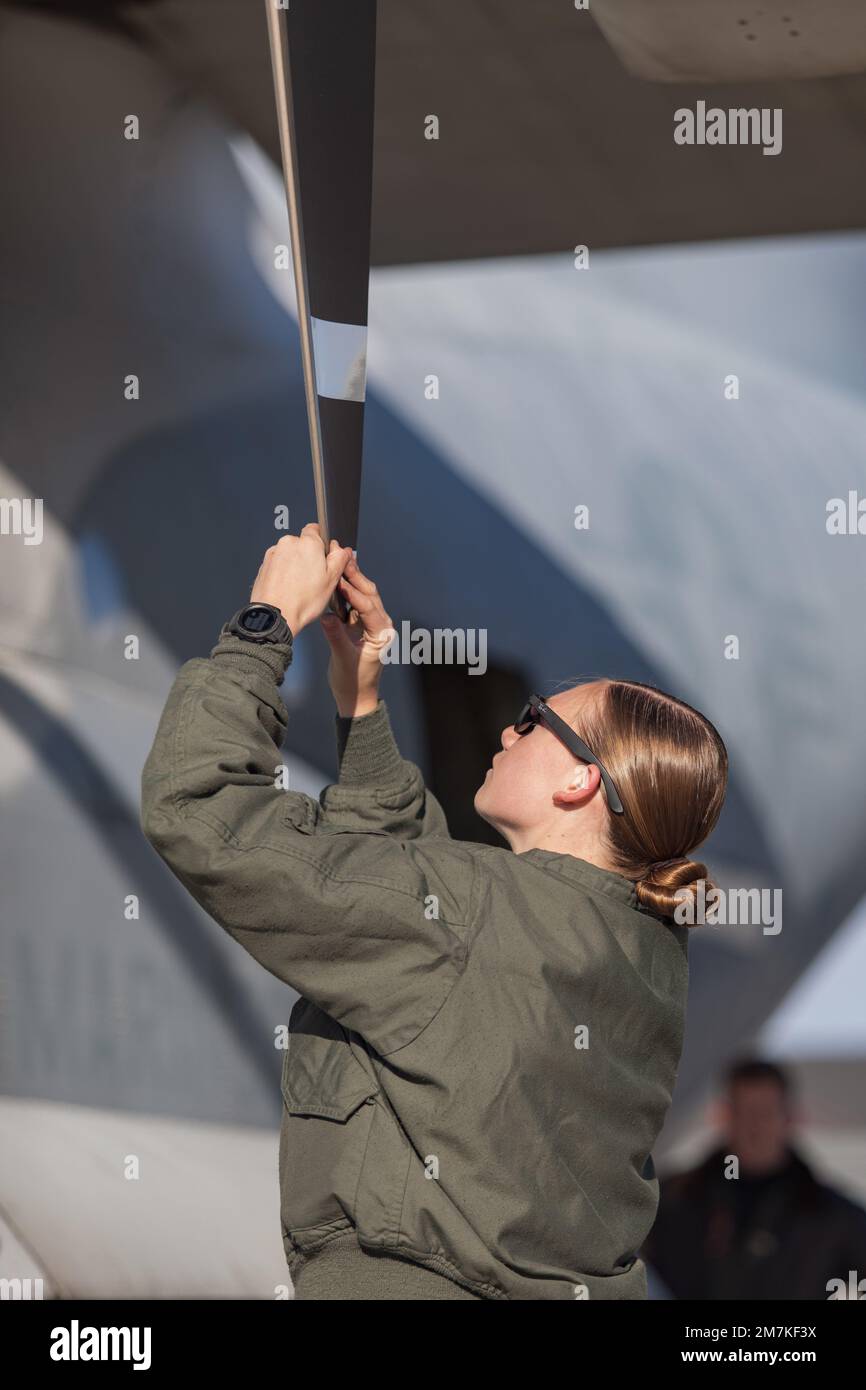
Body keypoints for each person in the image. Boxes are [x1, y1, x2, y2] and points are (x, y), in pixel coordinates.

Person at [140, 523, 728, 1300]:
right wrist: (362, 694)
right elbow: (430, 934)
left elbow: (198, 804)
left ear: (580, 783)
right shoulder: (639, 957)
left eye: (533, 720)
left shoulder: (472, 916)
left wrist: (265, 624)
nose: (508, 730)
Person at [642, 1057, 866, 1300]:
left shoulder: (830, 1215)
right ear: (724, 1116)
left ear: (790, 1118)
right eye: (745, 1112)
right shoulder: (669, 1202)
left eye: (766, 1113)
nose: (755, 1126)